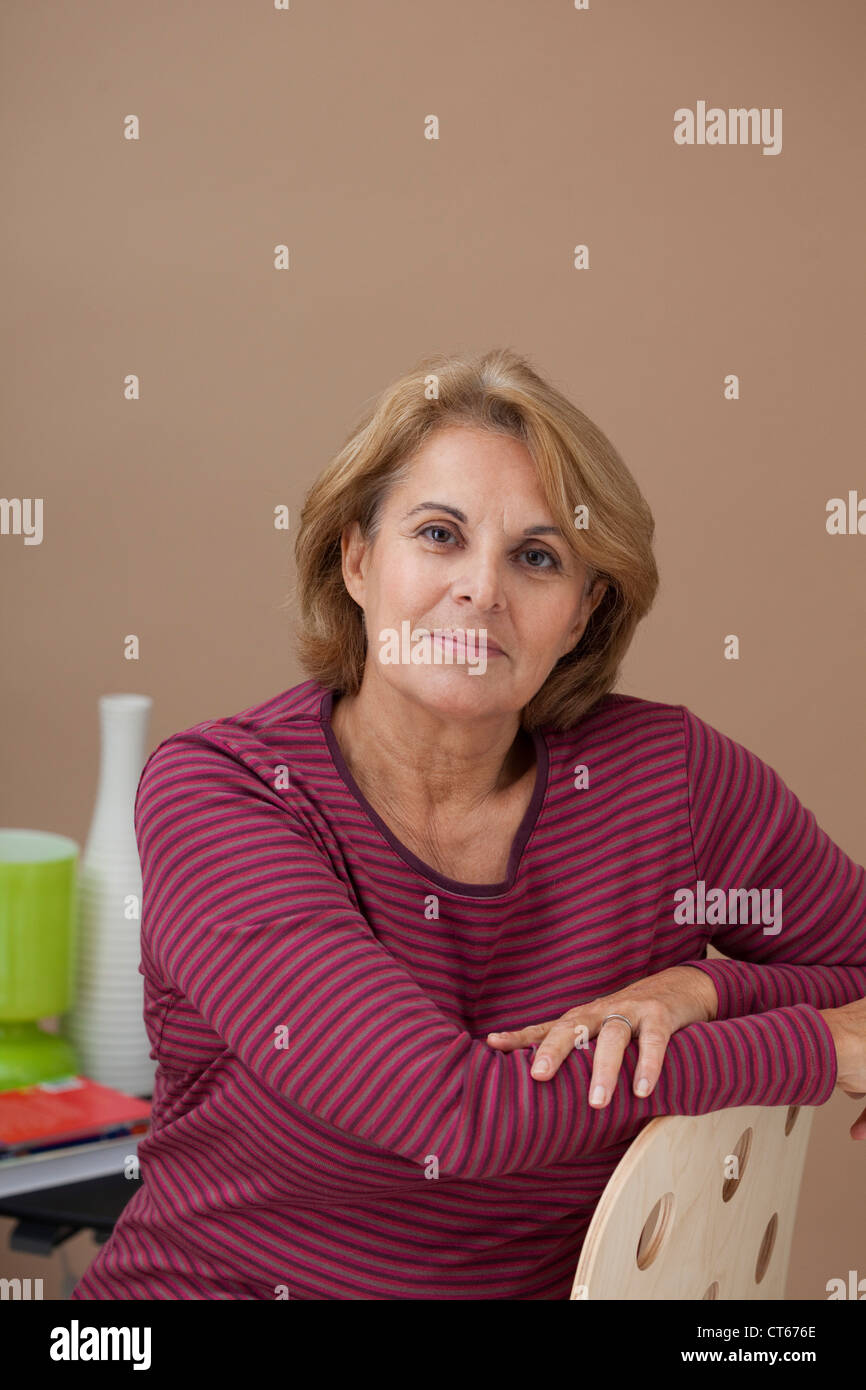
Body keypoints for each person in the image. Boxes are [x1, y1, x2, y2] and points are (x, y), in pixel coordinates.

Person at [71, 347, 866, 1301]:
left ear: (582, 613)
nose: (483, 590)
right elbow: (453, 1115)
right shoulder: (225, 794)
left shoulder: (673, 781)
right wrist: (822, 1046)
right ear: (358, 559)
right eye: (440, 535)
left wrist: (698, 990)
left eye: (537, 557)